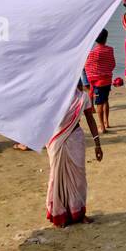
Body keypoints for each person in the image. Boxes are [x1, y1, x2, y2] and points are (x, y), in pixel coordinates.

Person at [46, 76, 103, 226]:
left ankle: (79, 213)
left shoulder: (82, 97)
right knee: (57, 177)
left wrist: (97, 143)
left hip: (75, 138)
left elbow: (90, 118)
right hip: (57, 138)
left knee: (79, 179)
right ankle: (60, 214)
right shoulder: (54, 96)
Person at [83, 29, 116, 132]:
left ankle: (102, 126)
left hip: (98, 83)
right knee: (106, 100)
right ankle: (107, 123)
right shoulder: (110, 49)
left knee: (99, 104)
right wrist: (105, 72)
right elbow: (112, 64)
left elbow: (87, 66)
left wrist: (93, 76)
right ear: (106, 38)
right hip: (107, 80)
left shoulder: (93, 52)